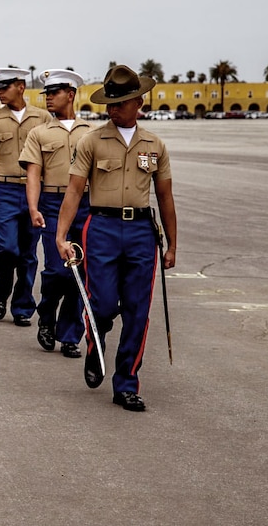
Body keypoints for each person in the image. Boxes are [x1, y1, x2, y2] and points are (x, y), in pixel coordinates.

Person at [56, 65, 177, 412]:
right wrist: (61, 236)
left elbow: (165, 197)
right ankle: (96, 343)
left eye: (120, 103)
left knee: (138, 311)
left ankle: (126, 383)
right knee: (104, 304)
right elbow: (74, 190)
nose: (113, 109)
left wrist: (172, 244)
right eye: (110, 103)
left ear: (138, 102)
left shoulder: (155, 145)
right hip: (102, 229)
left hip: (140, 232)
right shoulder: (91, 141)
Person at [19, 70, 93, 358]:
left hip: (85, 205)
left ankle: (70, 335)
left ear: (70, 94)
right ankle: (47, 316)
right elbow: (33, 175)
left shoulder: (91, 132)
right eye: (46, 93)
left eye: (54, 92)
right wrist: (33, 207)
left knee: (79, 271)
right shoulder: (39, 133)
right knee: (56, 270)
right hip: (52, 203)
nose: (48, 98)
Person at [0, 67, 52, 325]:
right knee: (6, 248)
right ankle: (0, 290)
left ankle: (22, 306)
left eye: (4, 88)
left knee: (28, 253)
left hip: (34, 191)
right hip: (4, 190)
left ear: (21, 86)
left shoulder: (42, 117)